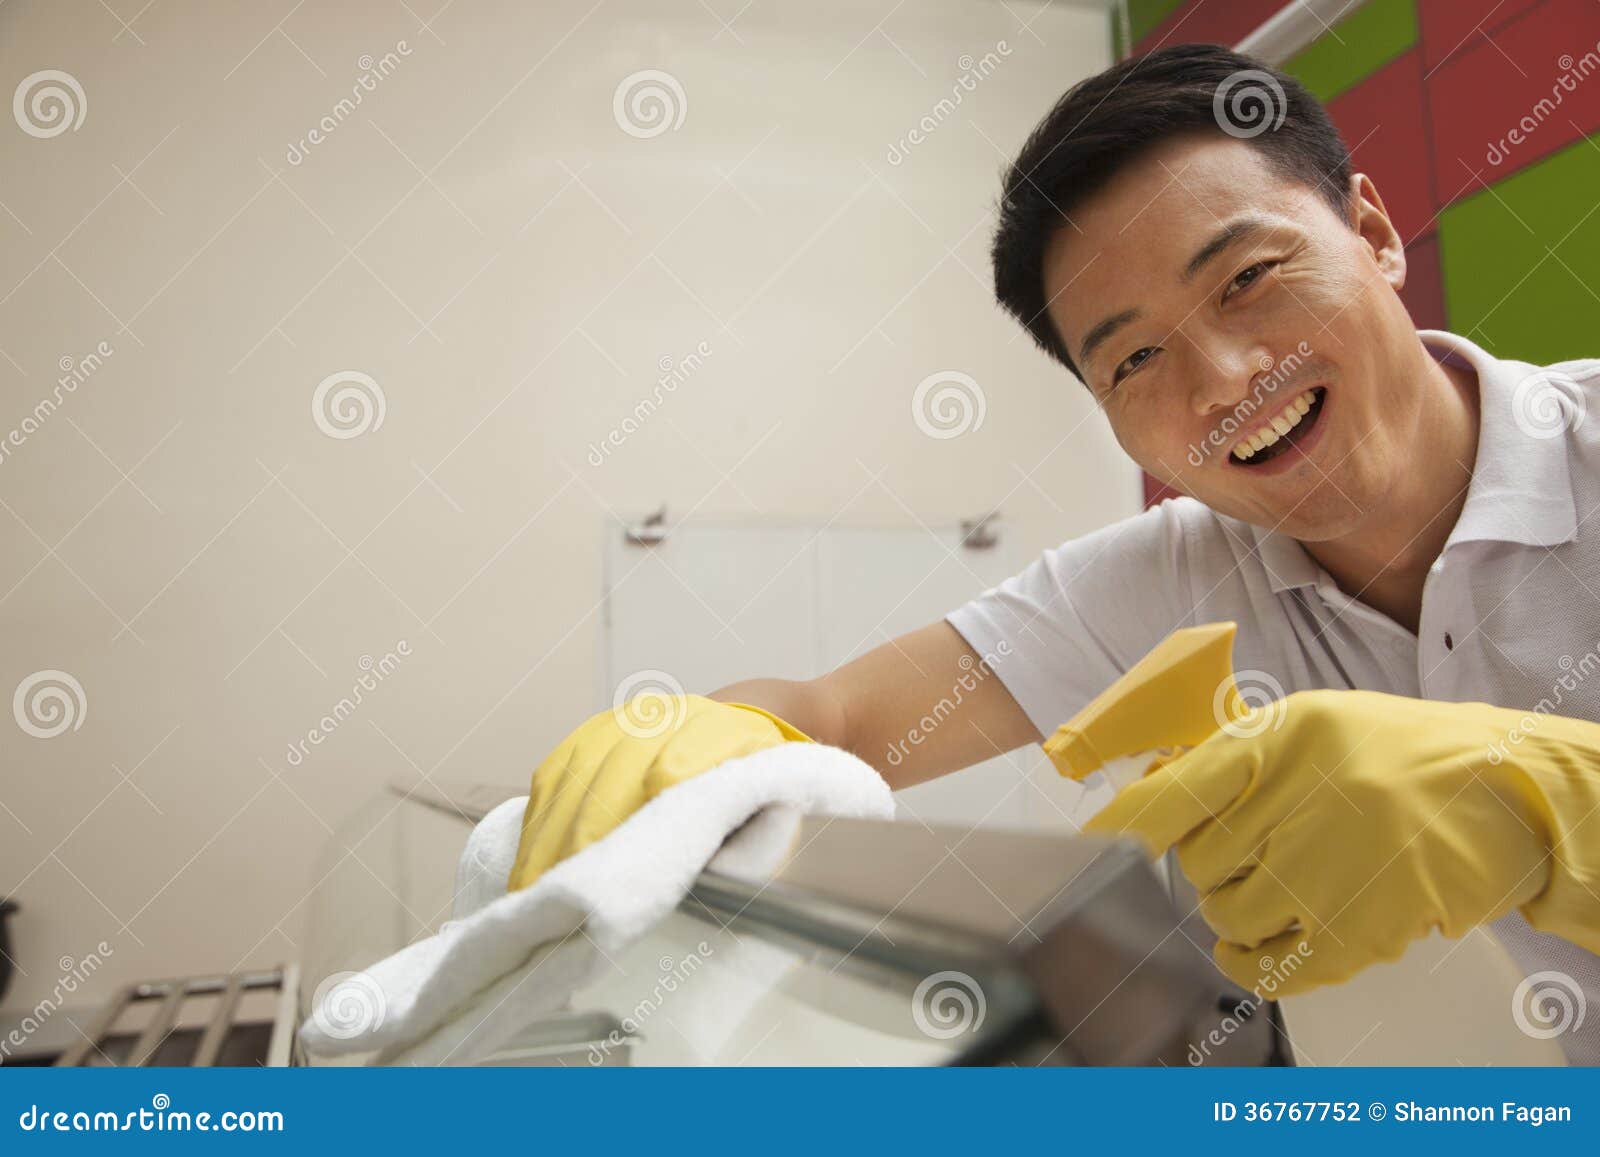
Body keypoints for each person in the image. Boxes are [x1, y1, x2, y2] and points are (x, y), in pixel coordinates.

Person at [510, 44, 1600, 1063]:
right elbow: (838, 717)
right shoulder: (1174, 572)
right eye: (1133, 359)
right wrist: (705, 734)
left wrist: (1549, 801)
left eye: (1247, 277)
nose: (1223, 379)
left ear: (1371, 233)